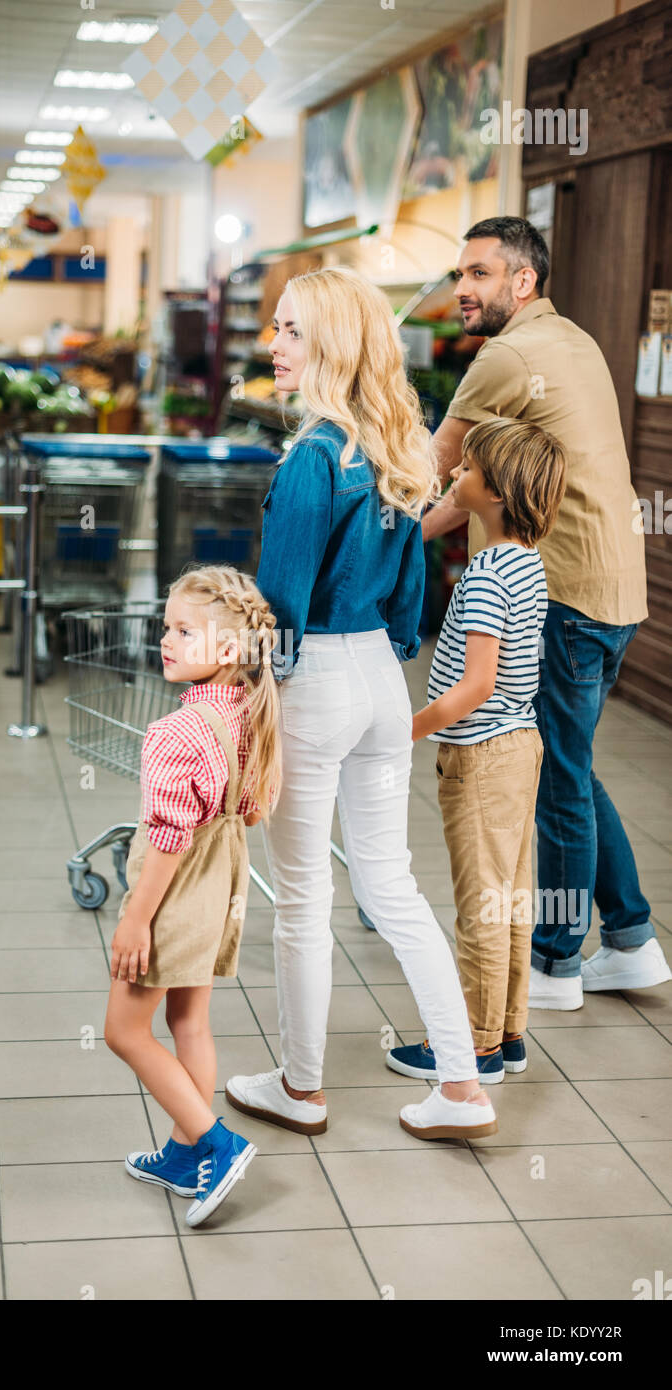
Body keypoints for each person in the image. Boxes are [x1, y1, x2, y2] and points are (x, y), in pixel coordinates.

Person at [225, 265, 498, 1143]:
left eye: (292, 330)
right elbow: (411, 589)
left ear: (333, 343)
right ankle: (461, 1085)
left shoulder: (312, 456)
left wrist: (246, 700)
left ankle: (299, 1087)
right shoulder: (393, 450)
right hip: (383, 678)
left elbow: (278, 603)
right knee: (392, 887)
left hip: (316, 686)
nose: (274, 344)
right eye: (274, 327)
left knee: (301, 896)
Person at [422, 216, 671, 1007]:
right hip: (616, 588)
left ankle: (556, 961)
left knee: (553, 776)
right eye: (459, 274)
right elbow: (470, 487)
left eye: (480, 275)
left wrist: (374, 540)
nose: (462, 288)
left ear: (521, 282)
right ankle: (628, 939)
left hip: (565, 592)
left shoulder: (505, 354)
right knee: (571, 764)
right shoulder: (574, 339)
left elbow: (435, 469)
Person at [387, 417, 565, 1086]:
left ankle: (473, 1048)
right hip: (519, 747)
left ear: (495, 490)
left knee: (479, 905)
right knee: (510, 899)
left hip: (484, 756)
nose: (453, 477)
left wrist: (405, 729)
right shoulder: (526, 563)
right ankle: (507, 1032)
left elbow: (476, 685)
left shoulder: (488, 573)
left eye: (464, 469)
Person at [103, 565, 280, 1228]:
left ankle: (215, 1142)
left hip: (173, 893)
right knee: (188, 1022)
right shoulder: (249, 711)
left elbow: (169, 841)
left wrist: (135, 921)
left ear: (229, 651)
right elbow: (252, 807)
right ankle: (183, 1155)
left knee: (124, 1030)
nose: (165, 640)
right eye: (165, 627)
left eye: (183, 630)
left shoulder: (175, 734)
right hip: (222, 886)